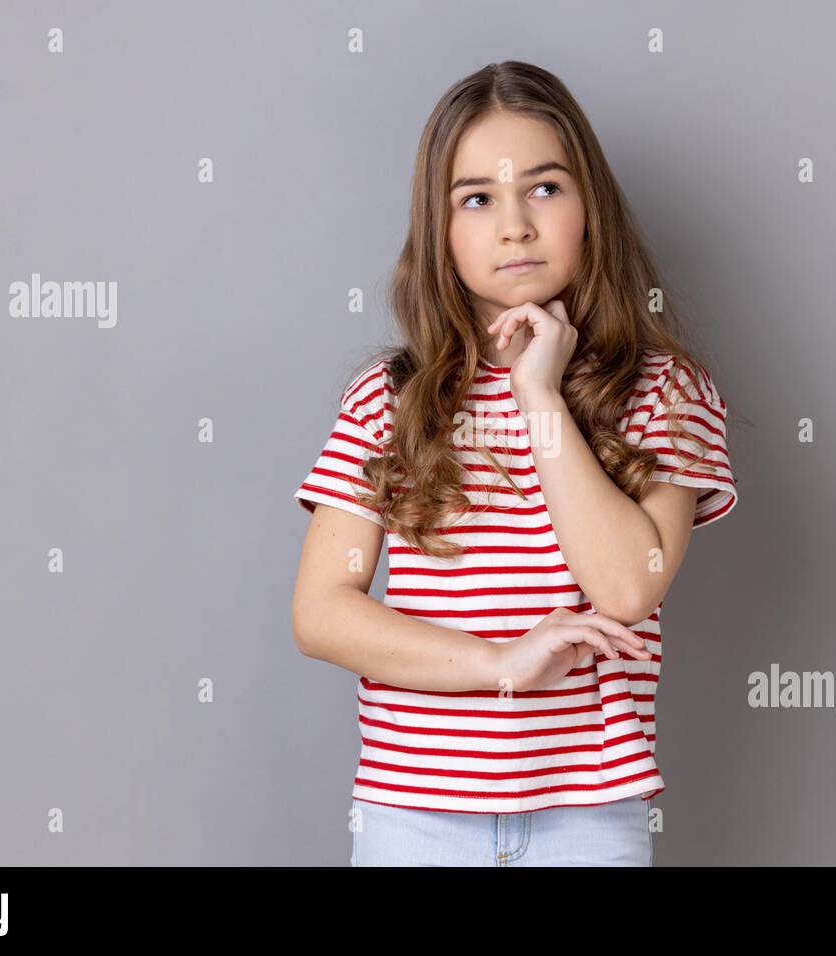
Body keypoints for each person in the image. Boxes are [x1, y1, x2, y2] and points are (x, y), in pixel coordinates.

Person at [291, 60, 738, 866]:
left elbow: (628, 586)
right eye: (477, 198)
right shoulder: (385, 399)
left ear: (590, 210)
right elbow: (323, 611)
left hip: (589, 818)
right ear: (441, 230)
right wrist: (497, 664)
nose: (515, 226)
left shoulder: (667, 391)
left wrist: (541, 398)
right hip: (411, 817)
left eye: (544, 188)